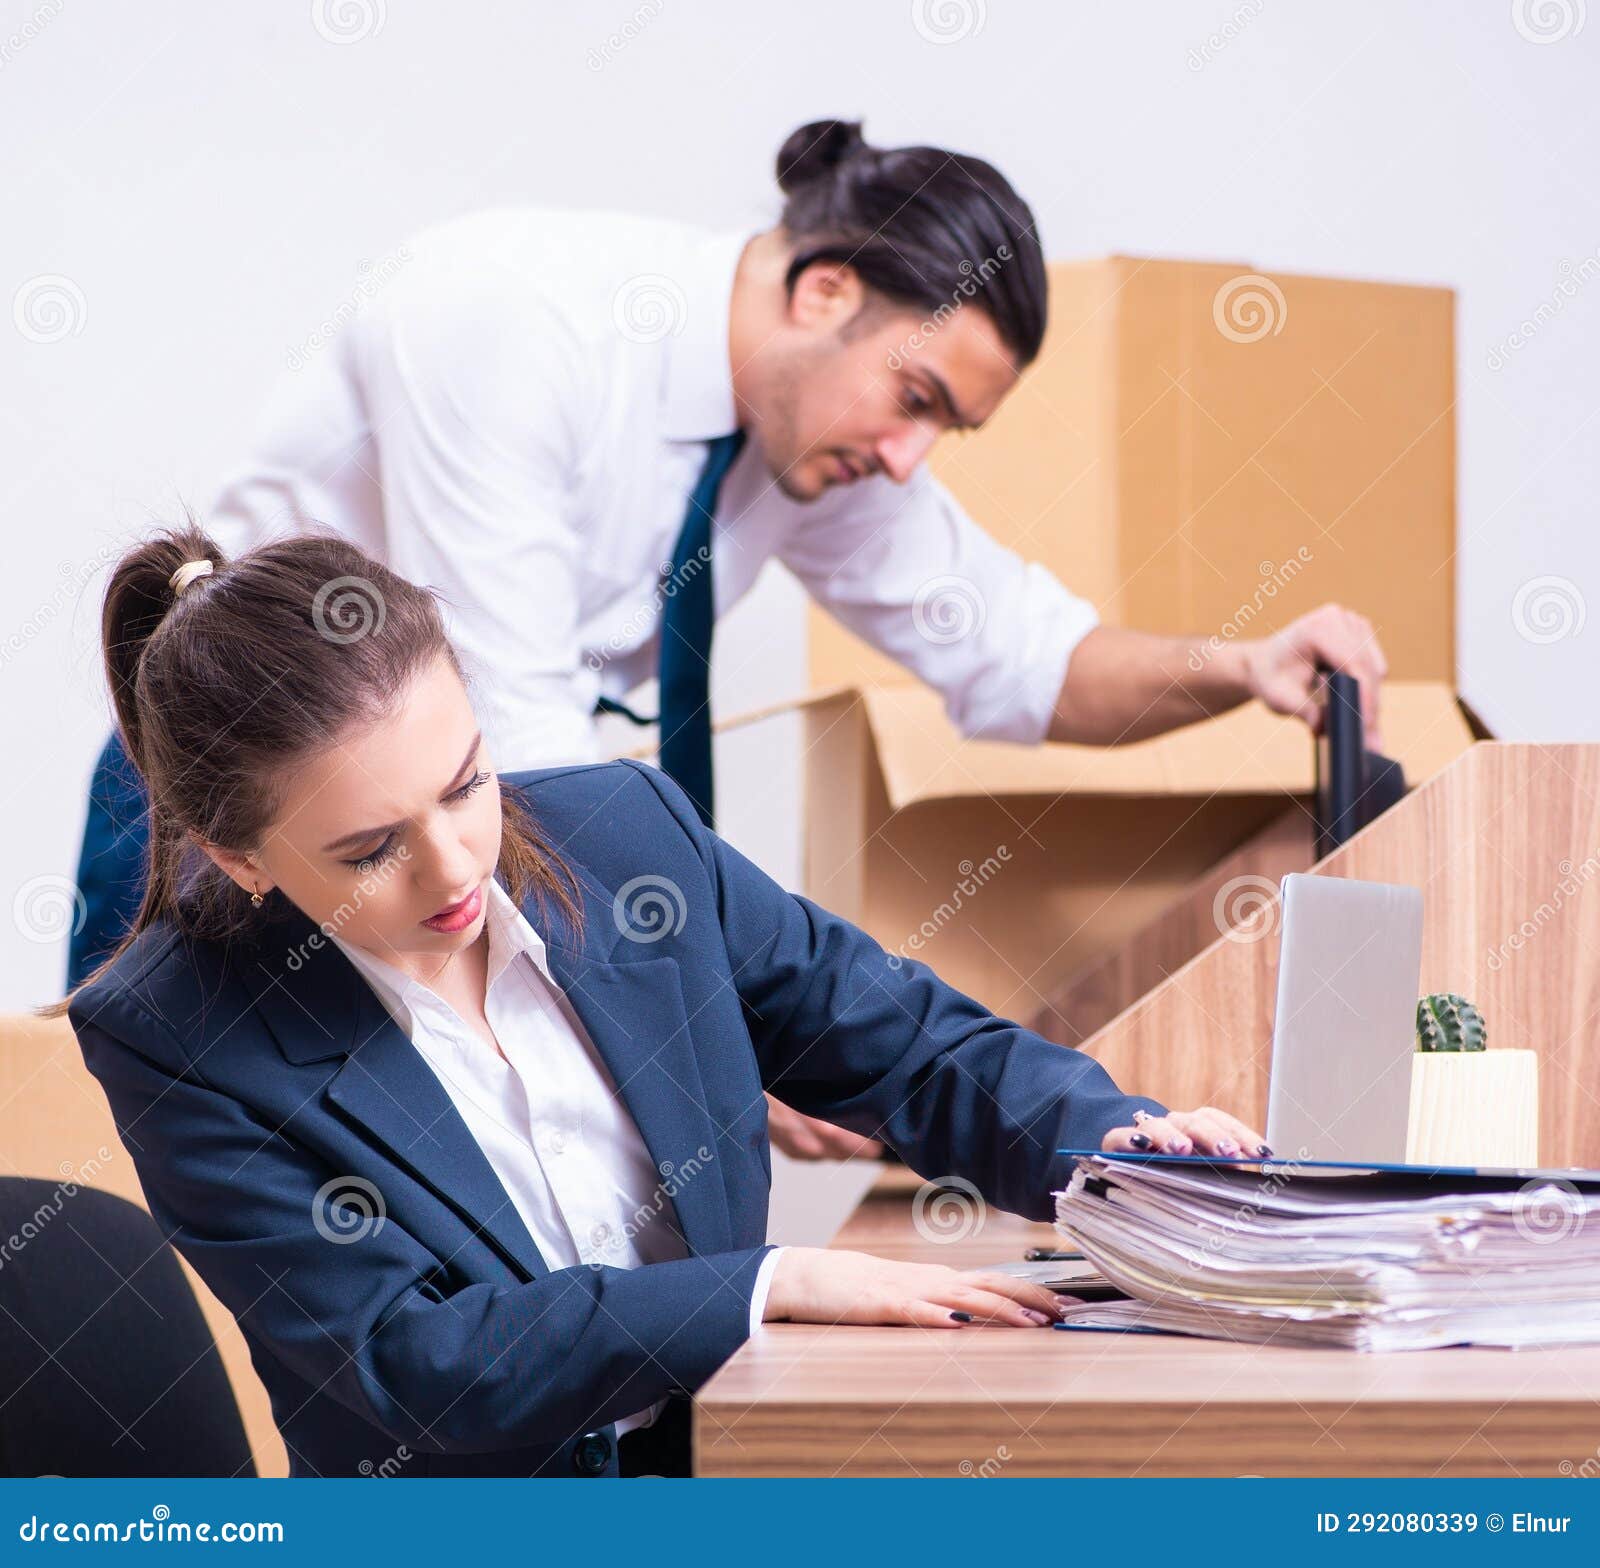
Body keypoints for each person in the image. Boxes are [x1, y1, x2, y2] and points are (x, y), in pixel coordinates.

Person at [68, 117, 1385, 1162]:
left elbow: (1023, 657)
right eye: (915, 399)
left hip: (475, 850)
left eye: (947, 432)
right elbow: (518, 747)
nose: (910, 457)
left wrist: (1242, 668)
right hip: (262, 828)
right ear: (824, 290)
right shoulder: (504, 316)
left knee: (486, 1239)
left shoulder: (811, 446)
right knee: (238, 1282)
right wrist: (695, 1037)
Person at [59, 523, 1269, 1479]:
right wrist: (762, 1284)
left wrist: (1113, 1159)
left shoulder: (624, 838)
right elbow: (410, 1360)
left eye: (467, 781)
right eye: (372, 847)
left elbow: (899, 1040)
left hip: (746, 1470)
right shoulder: (180, 1029)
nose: (456, 864)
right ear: (242, 858)